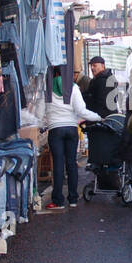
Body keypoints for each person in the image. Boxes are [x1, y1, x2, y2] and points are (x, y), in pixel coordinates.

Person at [40, 64, 101, 211]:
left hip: (55, 129)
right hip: (71, 128)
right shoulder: (73, 87)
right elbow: (81, 110)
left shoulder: (46, 88)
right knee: (71, 163)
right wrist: (99, 117)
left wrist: (46, 121)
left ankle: (58, 201)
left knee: (58, 165)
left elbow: (40, 112)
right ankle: (73, 199)